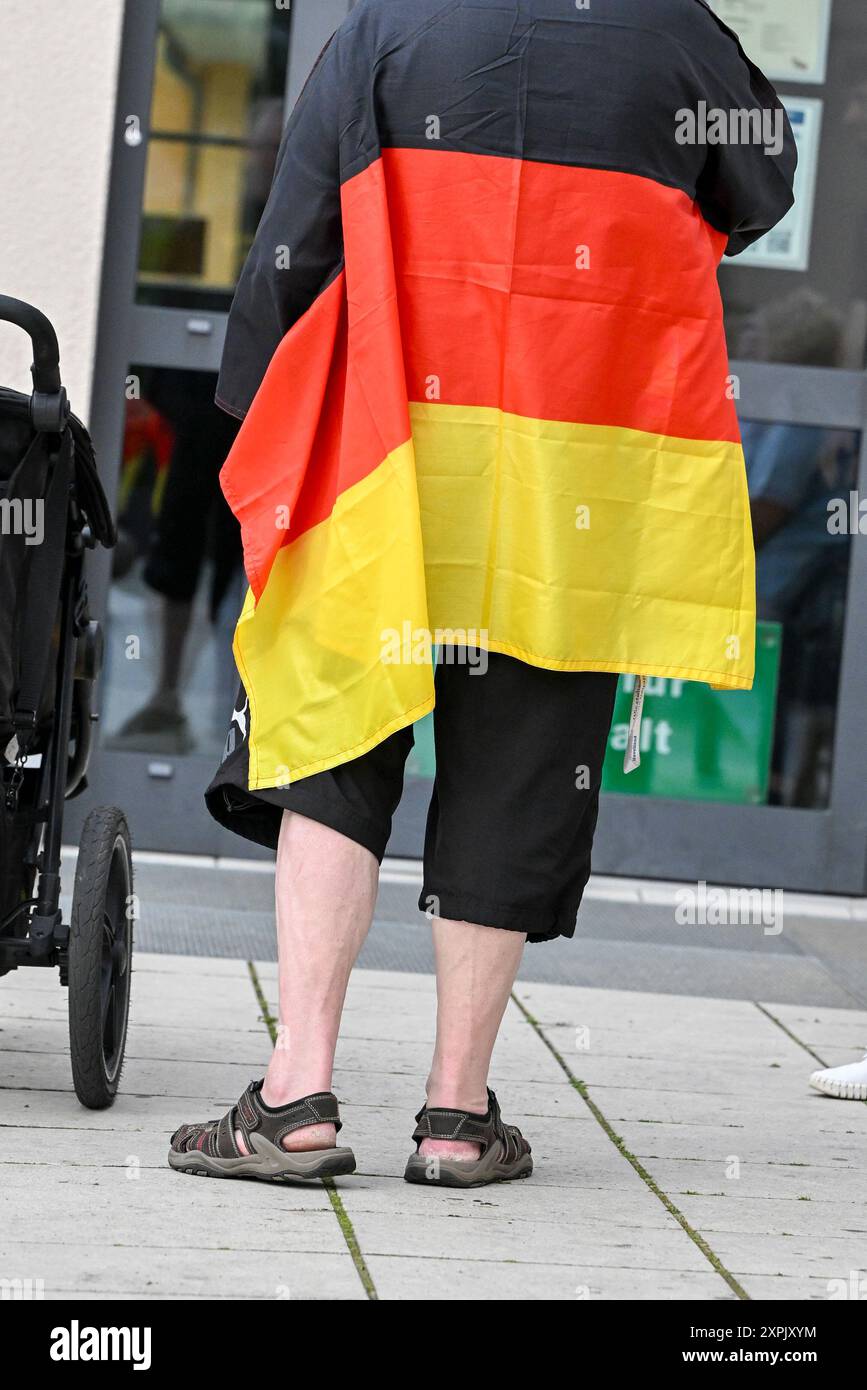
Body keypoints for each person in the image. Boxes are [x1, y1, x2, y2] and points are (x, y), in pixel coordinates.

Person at [168, 0, 795, 1188]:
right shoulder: (674, 34)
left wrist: (255, 425)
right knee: (520, 766)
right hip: (573, 462)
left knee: (332, 740)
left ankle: (295, 1095)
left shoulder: (384, 30)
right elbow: (763, 181)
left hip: (388, 452)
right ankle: (457, 1119)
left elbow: (295, 244)